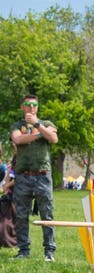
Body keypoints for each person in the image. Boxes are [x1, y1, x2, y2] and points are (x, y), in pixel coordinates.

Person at [10, 94, 58, 261]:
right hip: (23, 176)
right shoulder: (17, 125)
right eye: (28, 104)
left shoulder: (46, 124)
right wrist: (40, 135)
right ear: (22, 107)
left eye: (34, 104)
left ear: (37, 107)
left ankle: (49, 251)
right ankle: (23, 251)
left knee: (47, 214)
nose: (31, 107)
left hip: (42, 175)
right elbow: (17, 138)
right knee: (21, 215)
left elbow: (53, 138)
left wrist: (38, 125)